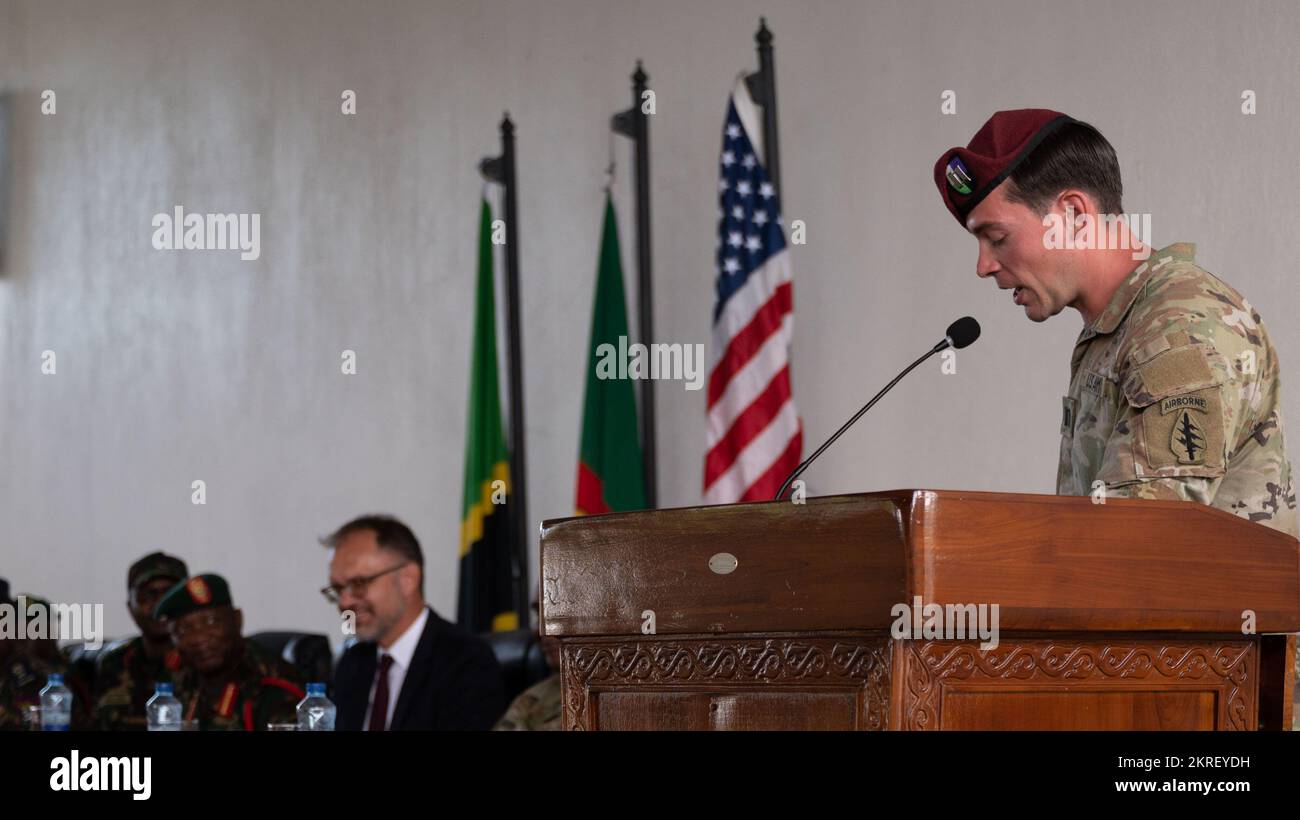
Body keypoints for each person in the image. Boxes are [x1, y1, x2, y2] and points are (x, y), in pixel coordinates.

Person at [933, 109, 1296, 534]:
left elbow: (1132, 544)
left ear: (1072, 214)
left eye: (997, 238)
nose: (983, 265)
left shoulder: (1177, 331)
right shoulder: (1117, 328)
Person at [323, 514, 505, 730]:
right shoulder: (353, 662)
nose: (344, 602)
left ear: (408, 579)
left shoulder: (466, 661)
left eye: (359, 583)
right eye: (338, 589)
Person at [154, 574, 303, 730]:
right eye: (184, 629)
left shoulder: (276, 687)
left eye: (211, 621)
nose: (199, 638)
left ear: (237, 620)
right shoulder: (175, 679)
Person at [93, 551, 188, 730]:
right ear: (130, 607)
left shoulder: (204, 660)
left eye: (169, 594)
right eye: (148, 595)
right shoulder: (113, 664)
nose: (160, 604)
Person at [493, 636, 561, 731]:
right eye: (541, 630)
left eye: (557, 623)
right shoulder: (532, 698)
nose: (546, 639)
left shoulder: (588, 694)